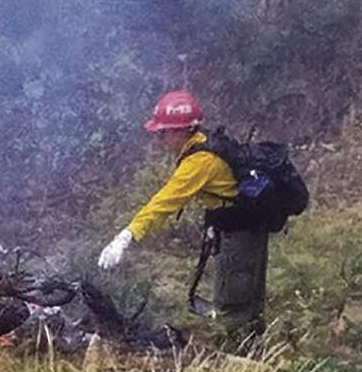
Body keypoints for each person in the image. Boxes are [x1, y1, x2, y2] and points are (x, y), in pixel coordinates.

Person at [97, 90, 269, 336]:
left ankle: (240, 357)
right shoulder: (200, 141)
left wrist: (126, 236)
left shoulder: (200, 161)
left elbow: (164, 202)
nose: (159, 138)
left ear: (180, 130)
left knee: (234, 299)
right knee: (245, 292)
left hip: (240, 231)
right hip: (239, 223)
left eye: (162, 132)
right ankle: (253, 345)